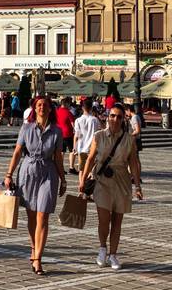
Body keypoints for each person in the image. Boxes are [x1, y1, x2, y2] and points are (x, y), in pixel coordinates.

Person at [3, 94, 67, 275]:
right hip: (29, 171)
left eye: (45, 105)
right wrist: (9, 174)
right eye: (39, 105)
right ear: (34, 108)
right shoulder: (26, 128)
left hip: (48, 172)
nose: (42, 108)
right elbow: (17, 152)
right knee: (32, 216)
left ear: (50, 109)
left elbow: (58, 158)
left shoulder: (57, 131)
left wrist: (63, 179)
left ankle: (38, 258)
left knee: (43, 215)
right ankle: (33, 247)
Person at [79, 102, 143, 271]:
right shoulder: (99, 136)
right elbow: (91, 158)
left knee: (117, 221)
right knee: (104, 219)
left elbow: (133, 164)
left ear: (123, 119)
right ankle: (102, 248)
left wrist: (137, 186)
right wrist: (83, 179)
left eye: (119, 117)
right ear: (107, 117)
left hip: (122, 181)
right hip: (102, 181)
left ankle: (113, 254)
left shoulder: (129, 139)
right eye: (112, 115)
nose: (115, 119)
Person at [73, 98, 101, 178]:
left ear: (82, 108)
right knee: (91, 170)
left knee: (81, 170)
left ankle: (81, 187)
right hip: (92, 148)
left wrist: (74, 147)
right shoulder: (94, 120)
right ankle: (89, 187)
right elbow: (101, 130)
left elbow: (76, 135)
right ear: (91, 108)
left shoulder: (78, 120)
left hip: (81, 148)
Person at [55, 97, 75, 171]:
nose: (69, 105)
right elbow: (73, 124)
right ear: (66, 104)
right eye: (69, 104)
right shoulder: (68, 112)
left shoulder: (57, 112)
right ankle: (71, 167)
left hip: (59, 133)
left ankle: (60, 167)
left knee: (61, 151)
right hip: (68, 134)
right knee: (71, 150)